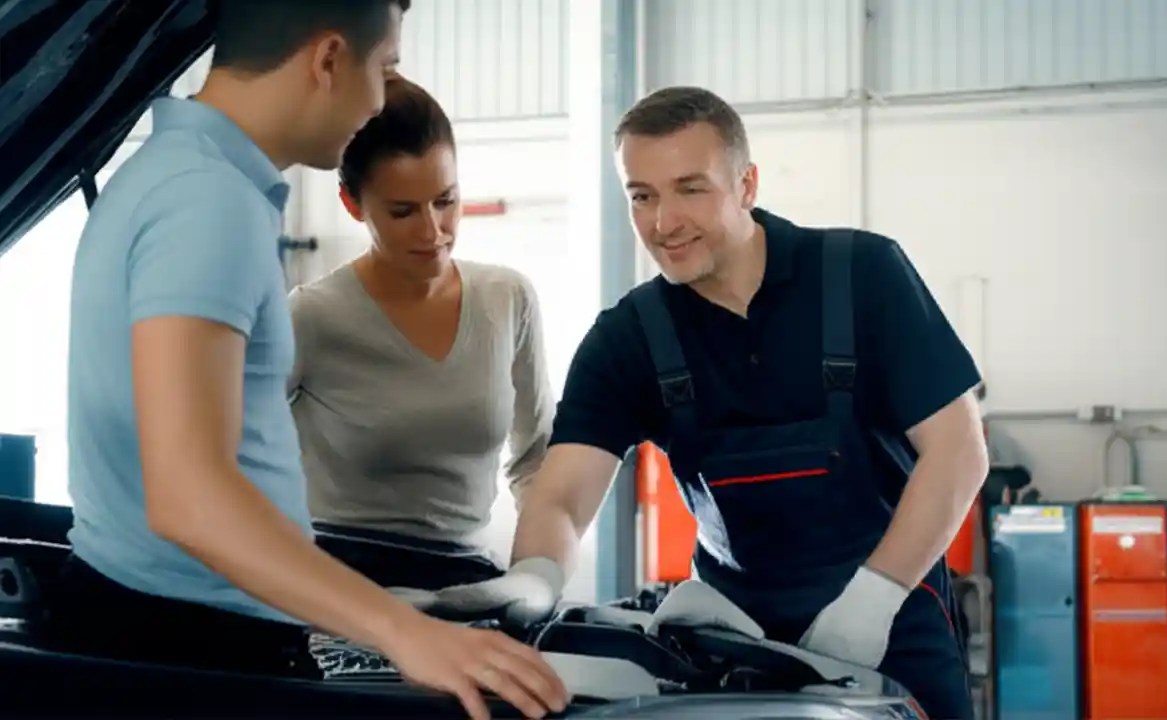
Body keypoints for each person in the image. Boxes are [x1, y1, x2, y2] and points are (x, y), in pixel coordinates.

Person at [57, 2, 567, 718]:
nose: (382, 96)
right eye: (384, 67)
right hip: (190, 649)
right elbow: (188, 492)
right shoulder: (208, 204)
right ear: (329, 60)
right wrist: (402, 631)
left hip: (160, 627)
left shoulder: (169, 176)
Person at [435, 86, 989, 719]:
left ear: (746, 185)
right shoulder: (630, 337)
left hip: (894, 624)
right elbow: (562, 495)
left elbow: (957, 452)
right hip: (737, 648)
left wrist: (873, 597)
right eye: (641, 196)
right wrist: (535, 575)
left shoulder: (862, 275)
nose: (663, 223)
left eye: (690, 188)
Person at [287, 76, 556, 589]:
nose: (433, 231)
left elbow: (536, 458)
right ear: (352, 204)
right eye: (403, 211)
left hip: (466, 578)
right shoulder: (310, 316)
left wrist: (534, 574)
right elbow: (226, 455)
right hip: (337, 582)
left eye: (445, 200)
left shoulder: (509, 299)